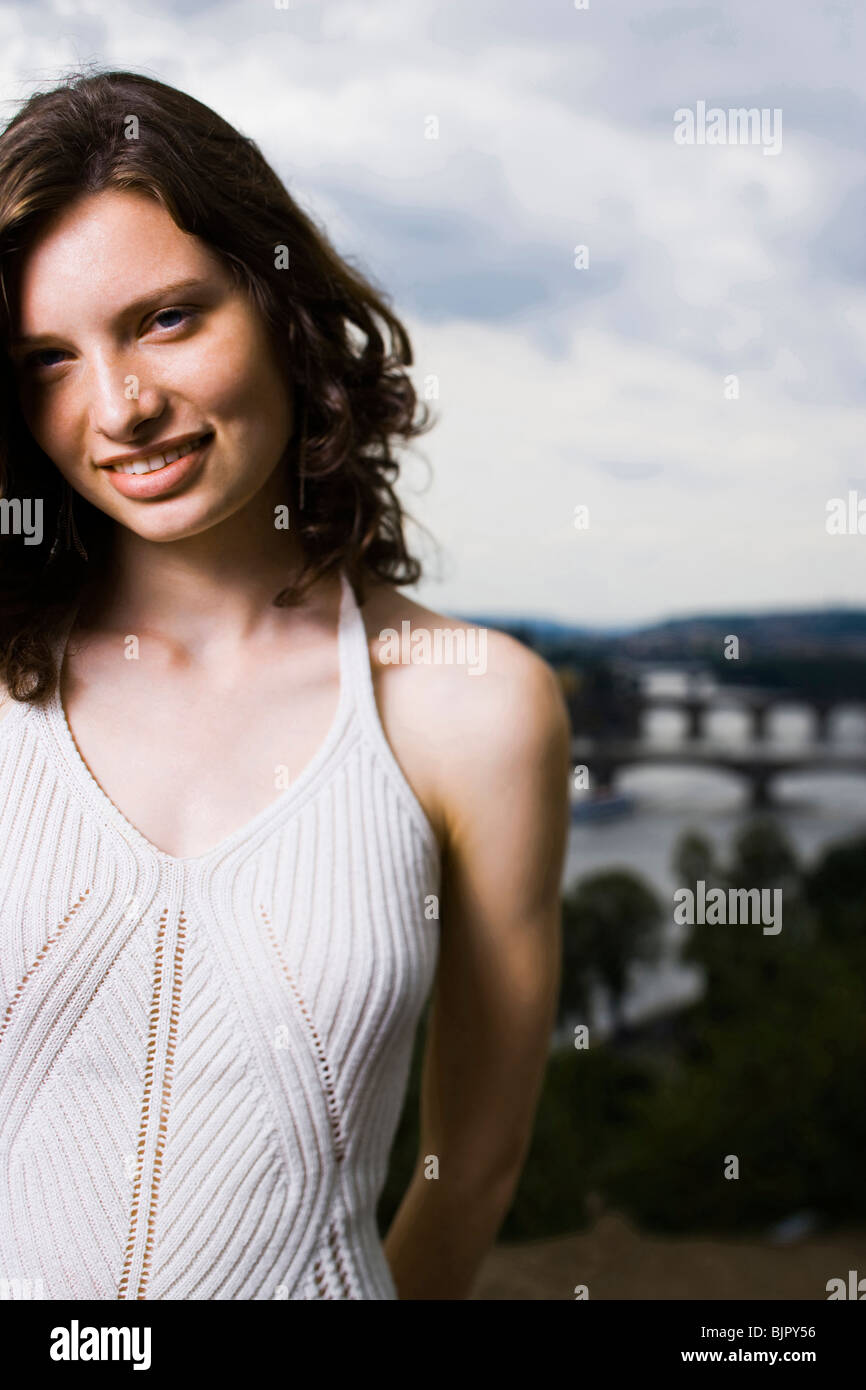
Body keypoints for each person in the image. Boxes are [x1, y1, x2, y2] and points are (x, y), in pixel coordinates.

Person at [0, 69, 570, 1301]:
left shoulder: (470, 710)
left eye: (164, 318)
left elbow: (470, 1164)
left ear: (276, 306)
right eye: (48, 357)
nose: (122, 407)